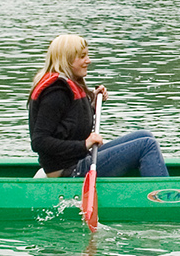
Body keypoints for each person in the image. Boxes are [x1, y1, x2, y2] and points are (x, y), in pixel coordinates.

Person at [28, 34, 168, 179]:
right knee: (146, 145)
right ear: (67, 60)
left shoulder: (65, 86)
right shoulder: (56, 93)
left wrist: (91, 105)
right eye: (82, 56)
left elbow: (69, 122)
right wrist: (85, 144)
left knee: (145, 135)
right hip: (69, 170)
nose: (88, 60)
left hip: (78, 159)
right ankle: (161, 197)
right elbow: (39, 141)